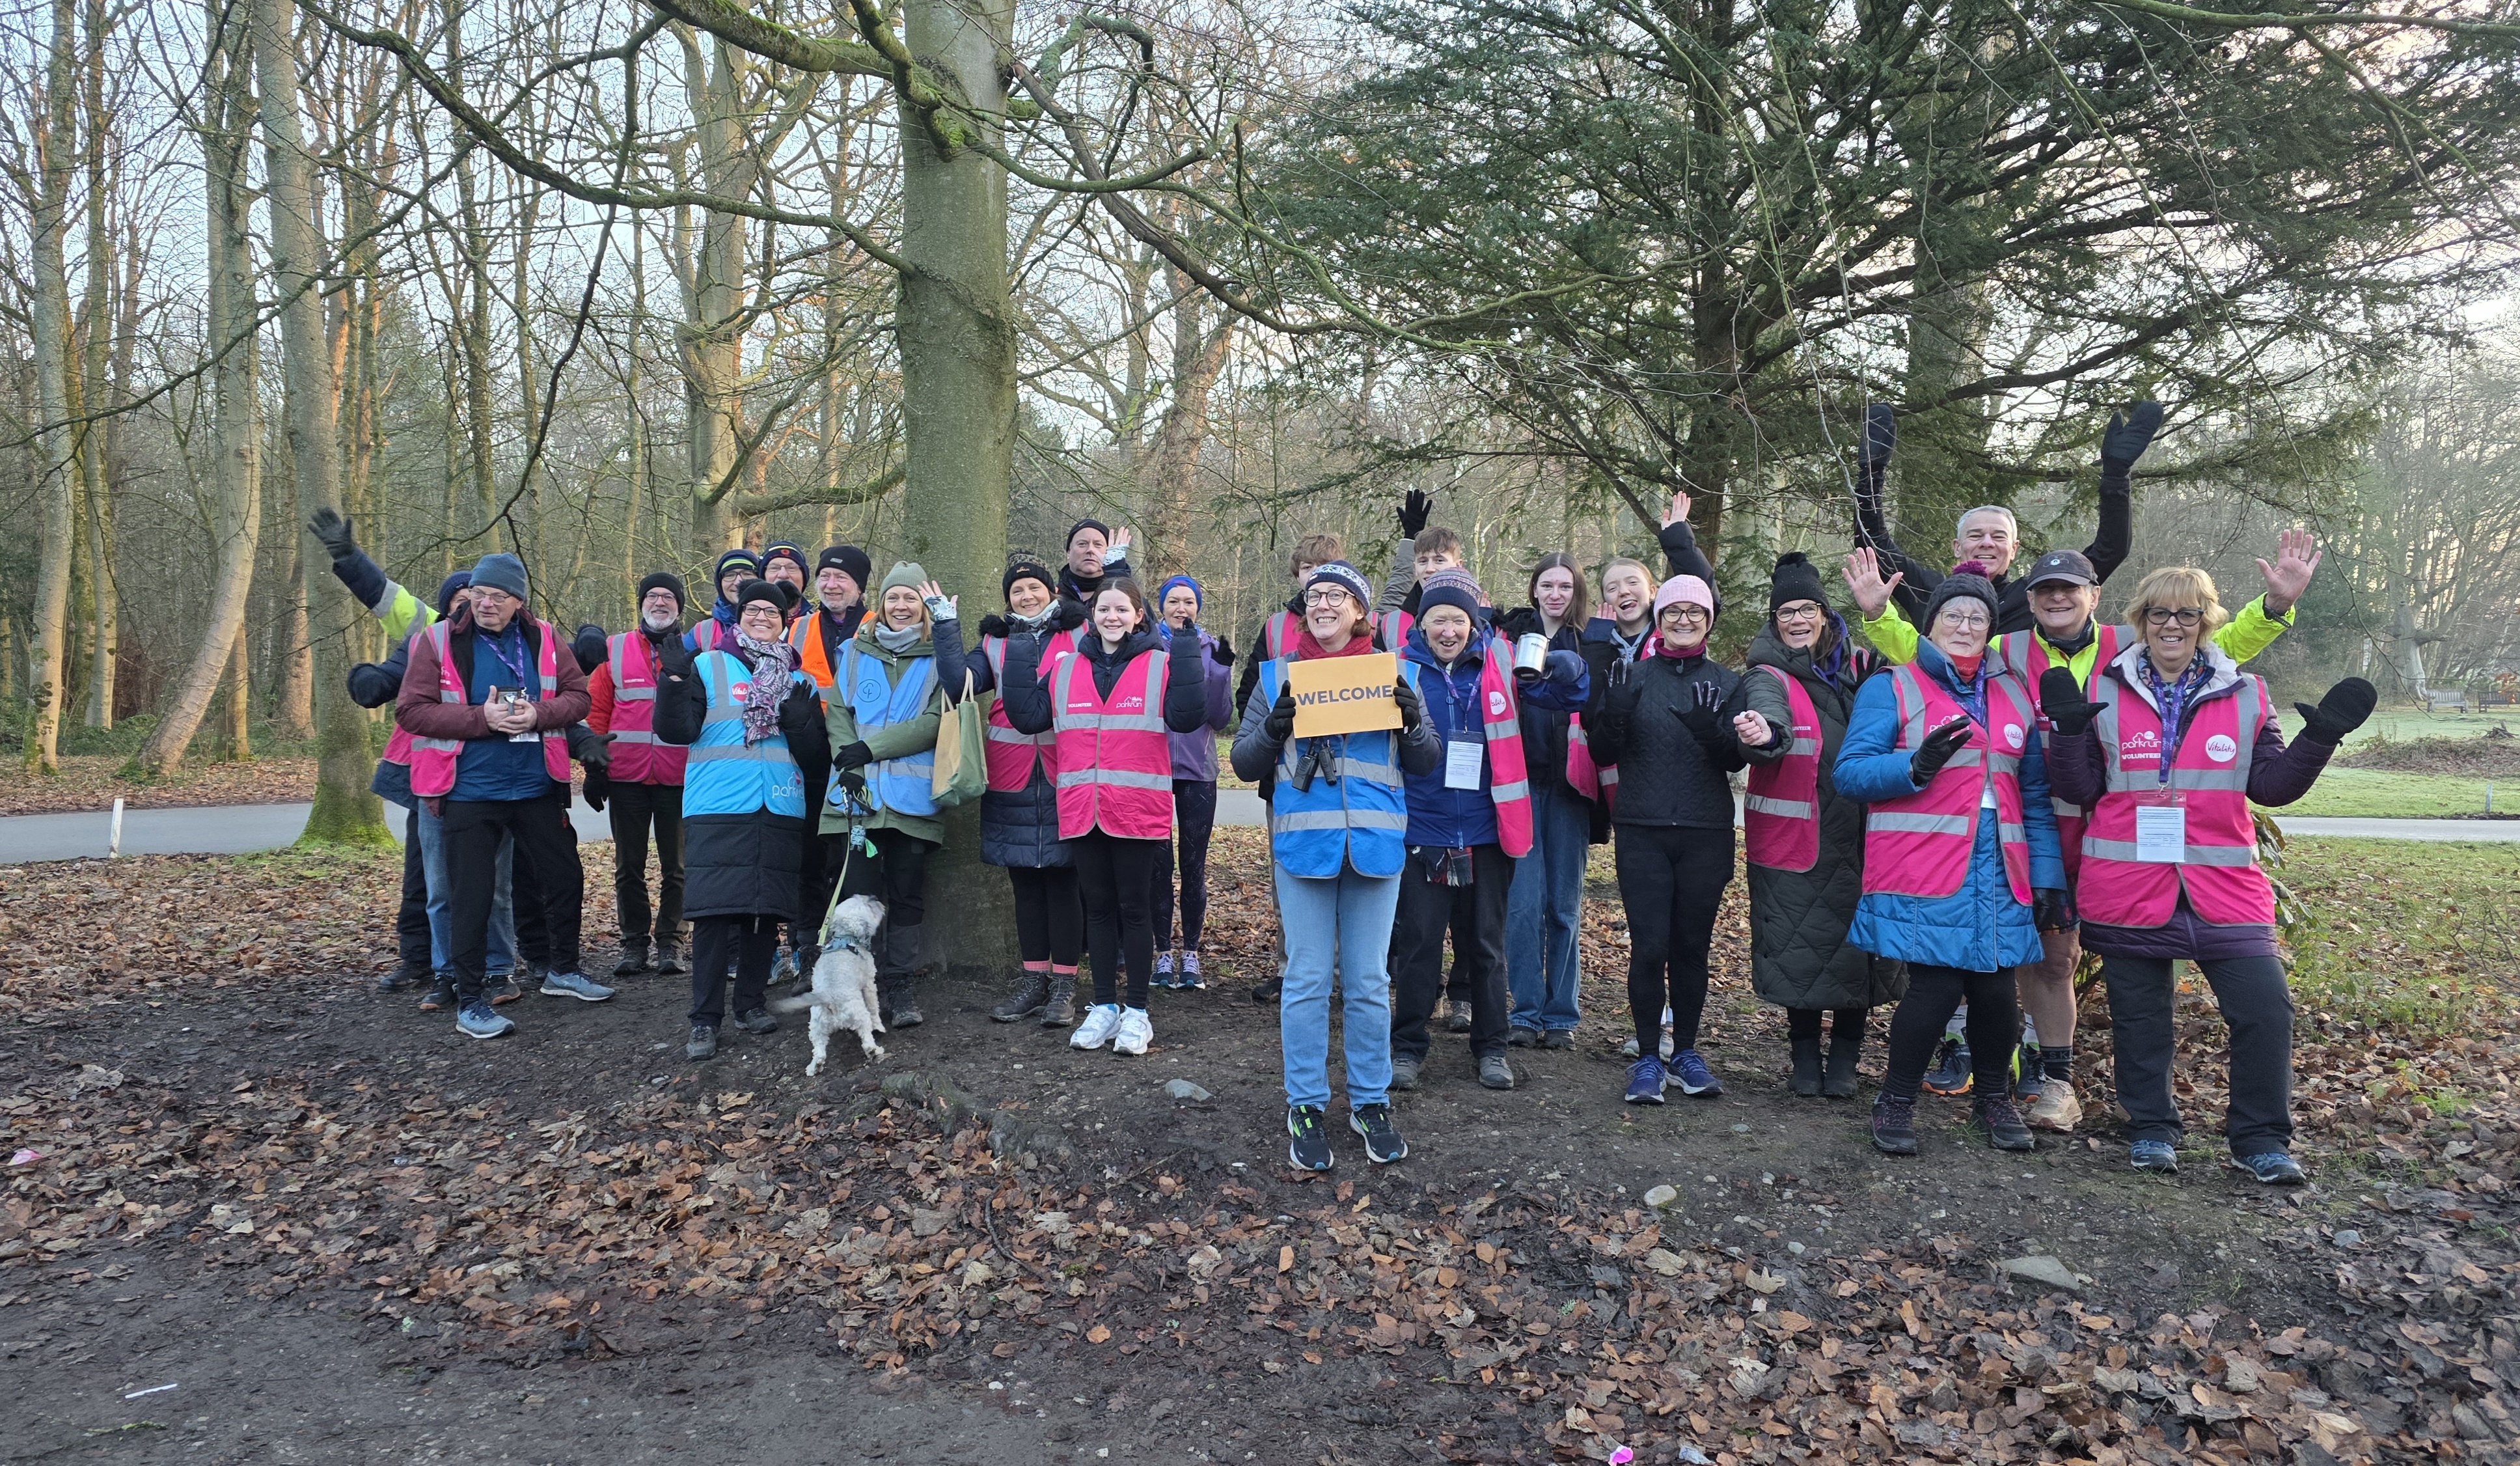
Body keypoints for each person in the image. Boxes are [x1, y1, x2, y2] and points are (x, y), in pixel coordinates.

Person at [1842, 534, 2316, 1117]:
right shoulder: (2004, 649)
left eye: (2070, 589)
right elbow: (1933, 655)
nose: (2057, 599)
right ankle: (1986, 1061)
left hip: (2109, 821)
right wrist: (1876, 615)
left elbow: (2207, 644)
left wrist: (2271, 611)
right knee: (2015, 955)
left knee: (2058, 957)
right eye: (2046, 591)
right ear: (2032, 599)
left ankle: (2053, 1074)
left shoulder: (2130, 643)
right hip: (2029, 816)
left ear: (2095, 595)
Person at [2040, 568, 2370, 1182]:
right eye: (2160, 614)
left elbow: (2270, 785)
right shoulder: (2102, 689)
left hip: (2226, 888)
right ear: (2141, 620)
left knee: (2265, 1011)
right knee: (2142, 1020)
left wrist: (2320, 737)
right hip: (2128, 885)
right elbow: (2079, 787)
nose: (2172, 625)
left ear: (2206, 622)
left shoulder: (2247, 693)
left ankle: (2261, 1140)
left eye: (2187, 615)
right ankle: (2152, 1130)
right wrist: (2065, 732)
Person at [1832, 563, 2065, 1154]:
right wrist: (1912, 768)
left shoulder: (2013, 691)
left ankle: (1994, 1097)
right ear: (1931, 624)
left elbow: (2034, 795)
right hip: (1925, 863)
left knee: (1994, 992)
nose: (1965, 625)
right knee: (1934, 988)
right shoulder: (1894, 686)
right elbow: (1850, 773)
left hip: (2002, 866)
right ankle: (1896, 1101)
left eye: (1977, 617)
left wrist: (2048, 876)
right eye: (1953, 615)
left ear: (1990, 627)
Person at [1231, 561, 1440, 1170]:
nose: (1322, 604)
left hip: (1376, 849)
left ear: (1361, 612)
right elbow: (1244, 764)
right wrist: (1272, 732)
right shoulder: (1276, 678)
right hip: (1304, 850)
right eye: (1313, 596)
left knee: (1371, 983)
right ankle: (1305, 1104)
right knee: (1305, 981)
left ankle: (1371, 1101)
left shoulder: (1399, 674)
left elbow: (1424, 761)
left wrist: (1412, 719)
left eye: (1337, 596)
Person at [395, 552, 613, 1038]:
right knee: (470, 895)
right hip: (470, 789)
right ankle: (471, 1001)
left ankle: (563, 970)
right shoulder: (436, 641)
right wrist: (481, 719)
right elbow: (411, 713)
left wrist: (537, 714)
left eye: (497, 596)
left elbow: (580, 699)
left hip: (536, 784)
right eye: (479, 593)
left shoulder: (546, 638)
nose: (486, 603)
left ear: (519, 601)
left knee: (564, 878)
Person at [1387, 569, 1587, 1093]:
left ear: (1473, 622)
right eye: (1437, 620)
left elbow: (1568, 699)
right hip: (1421, 830)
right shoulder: (1398, 669)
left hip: (1489, 829)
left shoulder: (1505, 659)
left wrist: (1566, 668)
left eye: (1457, 619)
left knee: (1487, 947)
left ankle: (1492, 1048)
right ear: (1422, 624)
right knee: (1418, 947)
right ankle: (1407, 1049)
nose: (1448, 630)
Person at [1001, 578, 1212, 1055]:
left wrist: (1184, 649)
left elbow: (1187, 715)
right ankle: (1103, 1007)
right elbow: (1027, 716)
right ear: (1091, 617)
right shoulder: (1066, 666)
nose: (1111, 617)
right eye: (1102, 610)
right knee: (1096, 911)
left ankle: (1136, 1011)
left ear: (1139, 616)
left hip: (1137, 812)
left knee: (1134, 911)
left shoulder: (1160, 663)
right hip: (1082, 810)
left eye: (1121, 609)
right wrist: (1017, 643)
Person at [1727, 553, 1900, 1098]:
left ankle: (1846, 1059)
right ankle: (1804, 1056)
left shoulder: (1867, 664)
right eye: (1786, 613)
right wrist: (1763, 735)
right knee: (1801, 952)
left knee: (1862, 952)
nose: (1797, 620)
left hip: (1871, 837)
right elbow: (1770, 716)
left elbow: (1921, 681)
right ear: (1774, 621)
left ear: (1825, 613)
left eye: (1806, 609)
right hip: (1801, 843)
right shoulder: (1766, 673)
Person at [651, 579, 828, 1059]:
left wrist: (799, 723)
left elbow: (815, 757)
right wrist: (669, 683)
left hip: (780, 804)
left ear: (785, 620)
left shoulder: (799, 678)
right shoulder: (706, 666)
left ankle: (750, 1004)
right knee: (714, 916)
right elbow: (676, 731)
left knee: (764, 913)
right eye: (752, 610)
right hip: (718, 804)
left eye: (771, 611)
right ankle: (705, 1019)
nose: (761, 617)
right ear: (737, 615)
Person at [1588, 571, 1743, 1103]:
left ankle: (1688, 1055)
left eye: (1694, 613)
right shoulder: (1632, 676)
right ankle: (1649, 1058)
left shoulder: (1727, 682)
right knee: (1650, 947)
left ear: (1708, 622)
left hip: (1705, 830)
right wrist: (1615, 714)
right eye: (1673, 613)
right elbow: (1602, 753)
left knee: (1692, 947)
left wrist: (1711, 729)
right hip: (1643, 829)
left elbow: (1737, 758)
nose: (1683, 621)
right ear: (1659, 620)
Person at [1852, 400, 2163, 635]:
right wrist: (1871, 473)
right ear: (1957, 547)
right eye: (1975, 536)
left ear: (2014, 550)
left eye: (1999, 536)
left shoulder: (2036, 594)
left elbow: (2110, 549)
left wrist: (2116, 475)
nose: (1987, 543)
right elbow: (1874, 546)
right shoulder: (1929, 589)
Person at [955, 560, 1089, 1025]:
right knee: (1026, 888)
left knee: (1064, 883)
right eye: (1017, 590)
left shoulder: (1078, 633)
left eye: (1034, 587)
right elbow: (959, 684)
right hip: (1010, 773)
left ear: (1052, 590)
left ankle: (1065, 986)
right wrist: (946, 630)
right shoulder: (994, 641)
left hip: (1064, 773)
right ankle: (1033, 981)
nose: (1027, 596)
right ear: (1007, 598)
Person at [822, 562, 953, 1028]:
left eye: (910, 600)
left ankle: (899, 984)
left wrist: (869, 748)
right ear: (882, 603)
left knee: (908, 893)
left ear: (923, 608)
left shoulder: (941, 656)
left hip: (911, 802)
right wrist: (849, 762)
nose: (901, 607)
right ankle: (855, 984)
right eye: (894, 598)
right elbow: (839, 711)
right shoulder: (855, 652)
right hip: (856, 800)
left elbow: (935, 723)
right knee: (857, 897)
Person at [1495, 553, 1599, 1048]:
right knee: (1523, 904)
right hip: (1520, 785)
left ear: (1575, 591)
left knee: (1564, 906)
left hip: (1572, 789)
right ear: (1534, 590)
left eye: (1565, 586)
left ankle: (1561, 1015)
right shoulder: (1508, 640)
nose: (1556, 594)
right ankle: (1526, 1010)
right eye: (1547, 585)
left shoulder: (1594, 642)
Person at [589, 571, 692, 978]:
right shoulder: (615, 649)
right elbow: (598, 711)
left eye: (669, 597)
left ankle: (672, 943)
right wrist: (594, 766)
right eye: (653, 596)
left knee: (678, 867)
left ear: (679, 606)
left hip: (679, 776)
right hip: (626, 776)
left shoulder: (693, 651)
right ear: (641, 603)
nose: (660, 602)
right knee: (628, 866)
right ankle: (634, 944)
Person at [1147, 575, 1237, 990]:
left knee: (1194, 866)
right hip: (1152, 769)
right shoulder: (1147, 646)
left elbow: (1220, 718)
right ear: (1161, 606)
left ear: (1198, 607)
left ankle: (1192, 954)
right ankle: (1163, 953)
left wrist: (1221, 670)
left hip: (1199, 770)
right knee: (1158, 866)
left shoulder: (1209, 649)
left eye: (1189, 602)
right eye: (1173, 601)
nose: (1181, 608)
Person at [688, 548, 763, 652]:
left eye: (747, 574)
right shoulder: (702, 632)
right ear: (720, 584)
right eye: (730, 575)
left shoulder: (778, 623)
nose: (738, 582)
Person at [1056, 519, 1138, 613]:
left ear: (1109, 552)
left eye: (1098, 545)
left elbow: (1144, 624)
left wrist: (1118, 576)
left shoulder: (1133, 595)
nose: (1090, 550)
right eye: (1082, 544)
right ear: (1069, 552)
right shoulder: (1051, 597)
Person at [762, 542, 810, 619]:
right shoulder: (747, 624)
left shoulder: (820, 623)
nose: (783, 575)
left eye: (791, 568)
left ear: (804, 577)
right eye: (774, 568)